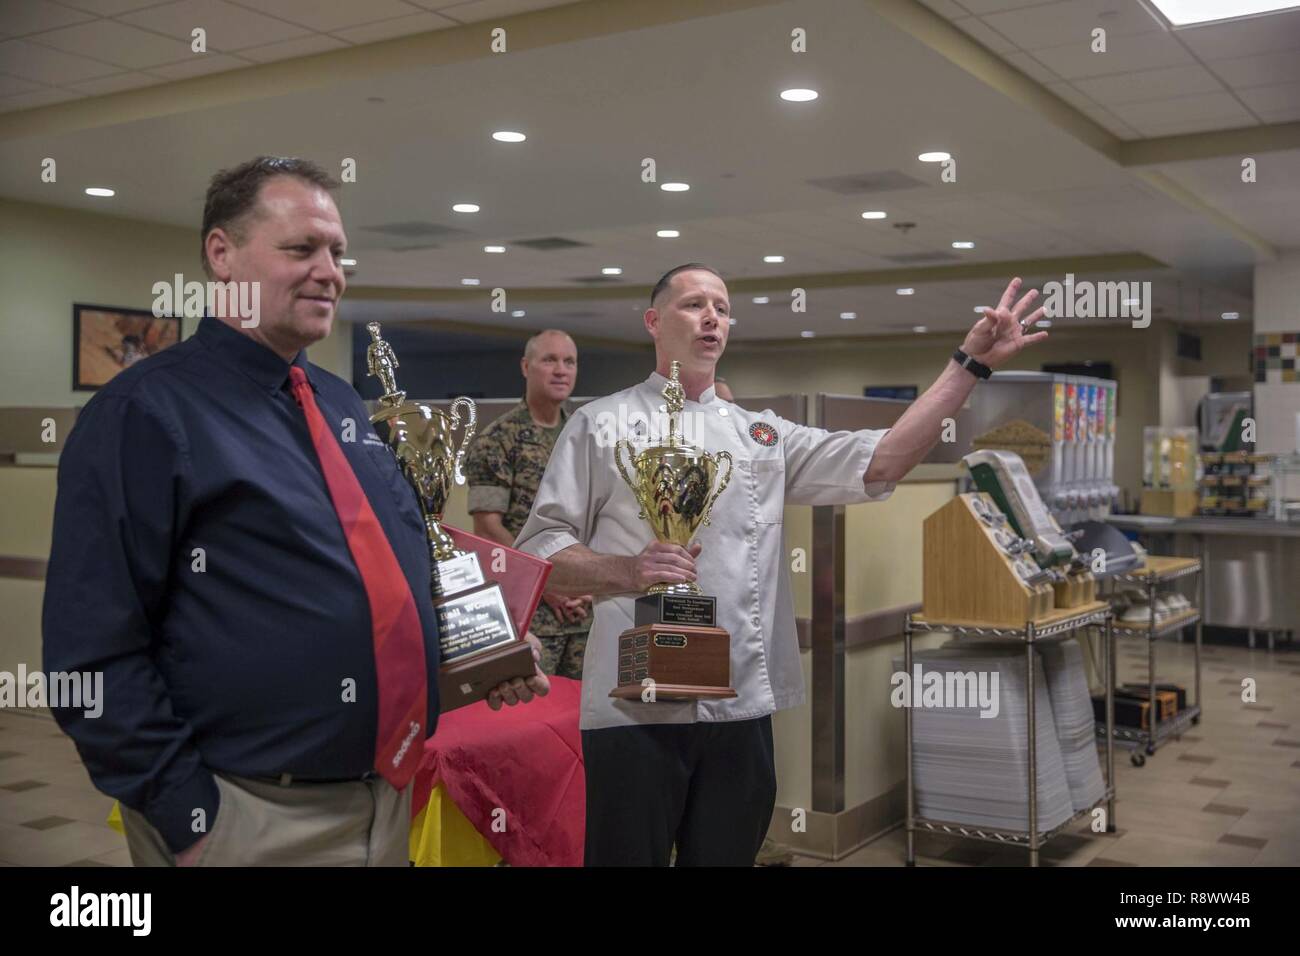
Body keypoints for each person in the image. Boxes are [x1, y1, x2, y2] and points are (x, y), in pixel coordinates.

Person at [42, 156, 548, 868]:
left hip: (389, 795)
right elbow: (88, 653)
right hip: (250, 817)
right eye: (301, 248)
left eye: (337, 252)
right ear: (221, 254)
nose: (330, 271)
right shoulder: (145, 414)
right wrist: (190, 820)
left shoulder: (339, 402)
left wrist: (479, 656)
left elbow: (392, 572)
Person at [514, 262, 1047, 866]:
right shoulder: (600, 423)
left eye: (721, 305)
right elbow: (539, 551)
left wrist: (969, 366)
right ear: (653, 322)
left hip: (740, 705)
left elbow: (884, 460)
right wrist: (627, 571)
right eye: (693, 304)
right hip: (634, 706)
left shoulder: (760, 436)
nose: (712, 315)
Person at [465, 330, 593, 679]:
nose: (561, 370)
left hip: (586, 611)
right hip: (533, 614)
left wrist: (588, 584)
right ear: (526, 366)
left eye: (569, 362)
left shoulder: (585, 436)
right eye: (549, 360)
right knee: (536, 716)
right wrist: (549, 584)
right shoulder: (498, 440)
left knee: (585, 720)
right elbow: (488, 529)